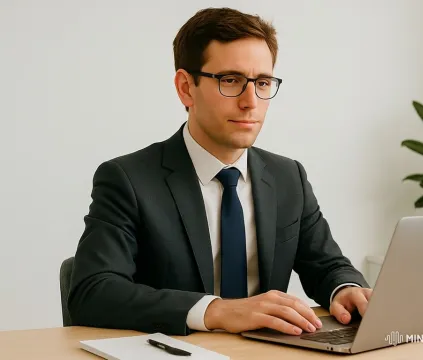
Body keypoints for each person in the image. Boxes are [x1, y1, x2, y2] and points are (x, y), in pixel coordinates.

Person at [68, 7, 372, 337]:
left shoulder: (288, 177)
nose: (250, 102)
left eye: (263, 82)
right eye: (231, 80)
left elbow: (326, 265)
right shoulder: (127, 179)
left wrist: (345, 288)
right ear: (186, 87)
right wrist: (216, 310)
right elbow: (93, 291)